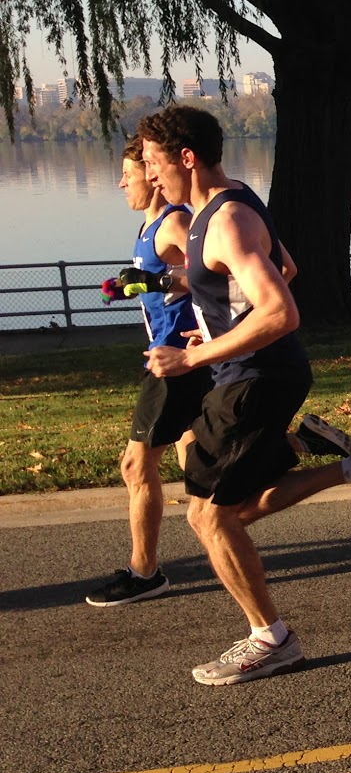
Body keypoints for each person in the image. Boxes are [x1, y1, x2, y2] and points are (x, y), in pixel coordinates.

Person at [137, 105, 351, 684]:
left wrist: (195, 355)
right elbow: (287, 267)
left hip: (256, 376)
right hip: (252, 371)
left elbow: (282, 308)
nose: (151, 176)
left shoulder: (226, 219)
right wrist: (213, 318)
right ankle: (331, 458)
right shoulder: (224, 203)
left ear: (186, 157)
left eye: (155, 164)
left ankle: (271, 638)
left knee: (209, 516)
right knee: (218, 502)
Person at [85, 137, 211, 606]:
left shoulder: (174, 222)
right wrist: (131, 284)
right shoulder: (149, 228)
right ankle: (317, 451)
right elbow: (176, 282)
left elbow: (219, 271)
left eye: (128, 174)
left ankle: (144, 572)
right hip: (175, 359)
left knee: (136, 465)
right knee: (199, 470)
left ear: (152, 173)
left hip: (177, 362)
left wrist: (159, 281)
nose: (121, 183)